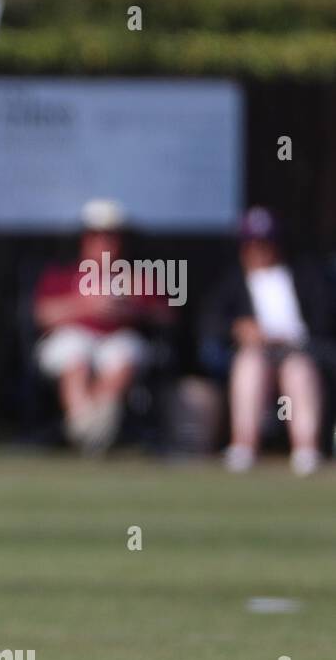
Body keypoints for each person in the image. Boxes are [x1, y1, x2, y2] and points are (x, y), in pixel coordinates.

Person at [32, 199, 170, 454]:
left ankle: (87, 432)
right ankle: (86, 427)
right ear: (84, 238)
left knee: (122, 355)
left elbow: (167, 315)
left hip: (119, 339)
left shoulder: (139, 275)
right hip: (71, 339)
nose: (105, 243)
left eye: (111, 236)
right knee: (74, 354)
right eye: (97, 235)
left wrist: (133, 305)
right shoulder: (62, 273)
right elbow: (42, 314)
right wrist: (85, 306)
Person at [204, 207, 333, 475]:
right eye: (253, 245)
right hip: (255, 353)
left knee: (298, 371)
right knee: (249, 365)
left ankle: (305, 449)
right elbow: (212, 321)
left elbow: (324, 321)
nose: (259, 251)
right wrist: (239, 328)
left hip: (299, 350)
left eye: (265, 244)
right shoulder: (233, 282)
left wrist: (293, 338)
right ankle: (244, 446)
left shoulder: (305, 275)